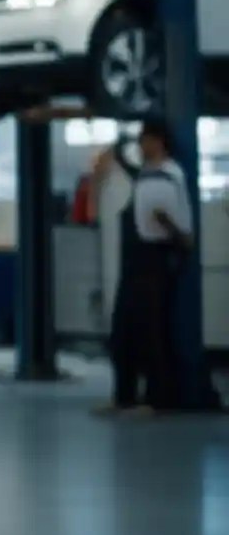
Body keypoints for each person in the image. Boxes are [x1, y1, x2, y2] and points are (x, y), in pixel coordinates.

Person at [91, 119, 193, 414]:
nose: (142, 146)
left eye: (146, 140)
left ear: (159, 141)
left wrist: (169, 227)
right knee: (124, 327)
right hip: (136, 259)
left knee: (153, 330)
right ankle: (123, 394)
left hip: (157, 258)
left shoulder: (171, 174)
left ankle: (157, 398)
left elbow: (182, 227)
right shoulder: (145, 174)